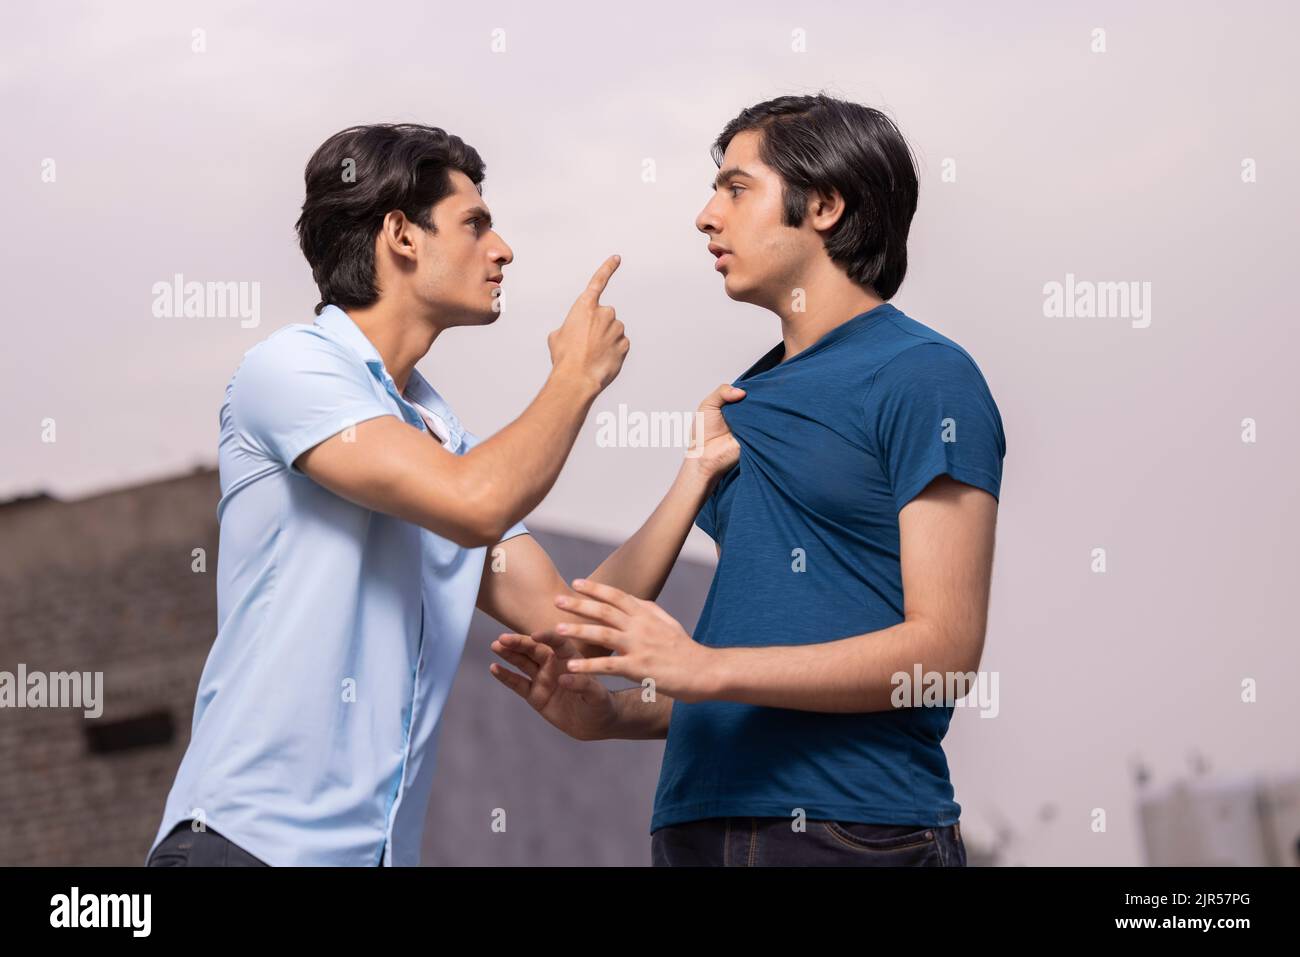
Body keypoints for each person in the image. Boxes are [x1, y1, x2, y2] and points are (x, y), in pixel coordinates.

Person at [146, 122, 744, 866]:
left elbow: (572, 626)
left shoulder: (433, 436)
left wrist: (695, 470)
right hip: (244, 846)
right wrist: (574, 378)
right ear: (400, 234)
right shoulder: (291, 371)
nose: (503, 249)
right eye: (476, 223)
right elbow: (473, 501)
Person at [488, 94, 1007, 866]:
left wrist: (701, 665)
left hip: (853, 831)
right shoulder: (744, 403)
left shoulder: (925, 376)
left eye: (735, 188)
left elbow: (943, 654)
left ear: (824, 204)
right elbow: (761, 657)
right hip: (696, 826)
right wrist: (617, 714)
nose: (706, 215)